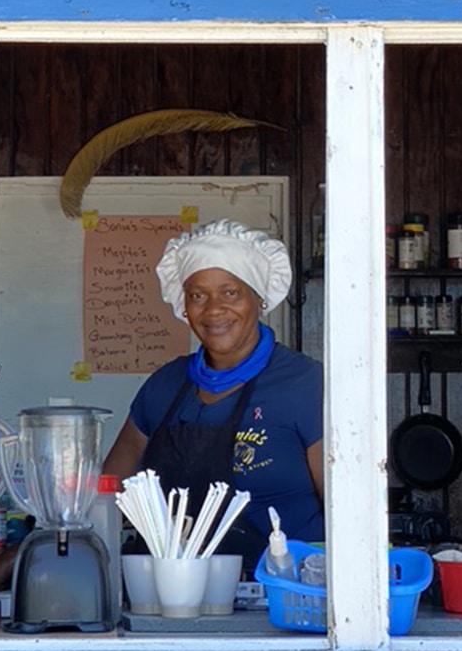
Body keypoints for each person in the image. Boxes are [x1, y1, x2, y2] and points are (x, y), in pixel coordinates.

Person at [102, 219, 324, 572]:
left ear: (258, 297)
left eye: (230, 292)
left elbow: (348, 514)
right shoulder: (165, 386)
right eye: (197, 295)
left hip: (282, 595)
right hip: (172, 593)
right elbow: (107, 499)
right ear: (184, 306)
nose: (213, 309)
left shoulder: (305, 384)